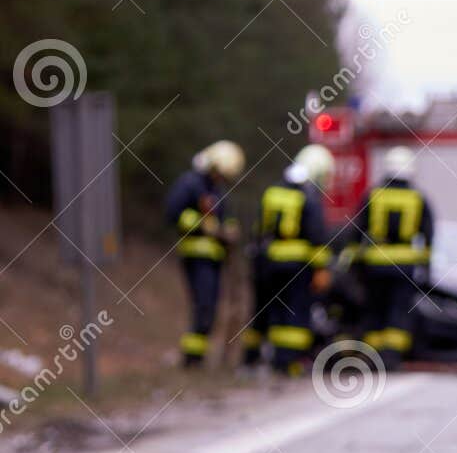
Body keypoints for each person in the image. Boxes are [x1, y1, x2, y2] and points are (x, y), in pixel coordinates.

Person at [340, 146, 433, 370]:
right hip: (404, 265)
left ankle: (374, 358)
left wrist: (353, 261)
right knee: (399, 312)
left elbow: (356, 231)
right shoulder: (417, 198)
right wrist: (425, 264)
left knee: (375, 310)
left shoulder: (373, 195)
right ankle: (392, 357)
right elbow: (429, 234)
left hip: (376, 264)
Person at [253, 144, 334, 376]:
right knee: (296, 312)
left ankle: (277, 360)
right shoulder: (309, 197)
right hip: (298, 267)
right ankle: (291, 363)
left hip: (272, 264)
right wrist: (321, 269)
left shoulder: (272, 192)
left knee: (277, 311)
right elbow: (317, 236)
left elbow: (260, 230)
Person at [163, 141, 245, 368]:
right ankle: (192, 360)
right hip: (196, 257)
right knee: (204, 306)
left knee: (209, 308)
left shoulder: (216, 190)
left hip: (214, 259)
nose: (222, 179)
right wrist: (204, 226)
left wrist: (230, 230)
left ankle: (196, 358)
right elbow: (173, 214)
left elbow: (224, 217)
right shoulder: (190, 184)